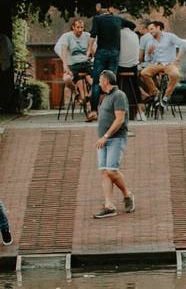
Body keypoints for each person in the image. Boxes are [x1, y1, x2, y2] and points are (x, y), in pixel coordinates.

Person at [93, 70, 135, 219]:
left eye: (100, 80)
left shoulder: (119, 95)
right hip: (104, 140)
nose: (98, 83)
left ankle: (127, 194)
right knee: (104, 171)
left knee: (112, 171)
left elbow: (119, 120)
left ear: (106, 81)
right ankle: (109, 206)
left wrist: (105, 136)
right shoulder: (107, 97)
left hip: (115, 139)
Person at [87, 4, 137, 112]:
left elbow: (93, 35)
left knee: (96, 82)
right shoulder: (117, 19)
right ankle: (111, 109)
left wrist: (89, 50)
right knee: (111, 81)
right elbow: (132, 25)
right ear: (110, 10)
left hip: (101, 51)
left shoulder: (97, 19)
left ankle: (94, 111)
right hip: (114, 53)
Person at [56, 18, 94, 118]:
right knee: (67, 79)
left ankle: (88, 98)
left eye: (82, 27)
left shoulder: (87, 36)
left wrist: (91, 54)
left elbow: (93, 50)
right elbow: (63, 51)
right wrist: (65, 65)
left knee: (96, 80)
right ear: (73, 27)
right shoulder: (67, 36)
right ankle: (76, 93)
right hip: (72, 64)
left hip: (85, 63)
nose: (80, 30)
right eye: (78, 27)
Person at [139, 20, 185, 104]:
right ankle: (156, 92)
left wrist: (178, 58)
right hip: (156, 64)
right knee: (144, 73)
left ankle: (167, 95)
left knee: (175, 74)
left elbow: (183, 45)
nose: (150, 32)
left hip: (169, 64)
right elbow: (147, 60)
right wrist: (149, 53)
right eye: (149, 30)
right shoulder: (150, 42)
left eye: (152, 29)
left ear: (158, 28)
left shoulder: (170, 36)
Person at [117, 19, 143, 121]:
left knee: (113, 84)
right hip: (133, 67)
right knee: (136, 86)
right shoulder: (135, 35)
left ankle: (116, 111)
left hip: (120, 68)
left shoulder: (118, 34)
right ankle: (141, 112)